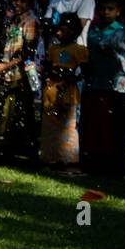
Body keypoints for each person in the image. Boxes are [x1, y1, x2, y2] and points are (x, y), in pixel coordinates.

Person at [79, 0, 125, 178]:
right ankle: (105, 164)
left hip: (123, 85)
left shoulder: (120, 32)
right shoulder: (98, 31)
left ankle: (118, 167)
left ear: (118, 11)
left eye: (110, 9)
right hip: (108, 85)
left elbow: (103, 47)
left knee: (120, 129)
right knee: (108, 128)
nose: (106, 12)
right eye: (103, 9)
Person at [0, 0, 40, 161]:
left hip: (23, 74)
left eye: (23, 1)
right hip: (9, 72)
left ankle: (29, 152)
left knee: (24, 113)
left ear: (31, 3)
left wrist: (5, 66)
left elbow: (27, 53)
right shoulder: (12, 21)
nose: (18, 3)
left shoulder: (31, 22)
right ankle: (1, 149)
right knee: (5, 111)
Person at [40, 13, 88, 172]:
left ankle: (68, 160)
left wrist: (68, 79)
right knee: (50, 125)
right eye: (58, 30)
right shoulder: (53, 48)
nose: (59, 33)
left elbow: (85, 72)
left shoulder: (78, 50)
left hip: (68, 91)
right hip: (52, 90)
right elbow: (47, 67)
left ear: (74, 32)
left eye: (64, 30)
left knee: (67, 126)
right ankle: (50, 157)